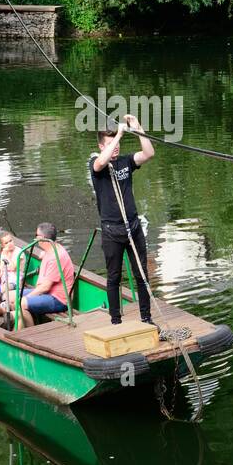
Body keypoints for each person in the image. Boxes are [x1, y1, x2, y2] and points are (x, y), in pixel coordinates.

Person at [89, 113, 154, 326]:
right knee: (114, 277)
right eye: (109, 144)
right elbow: (100, 163)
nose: (115, 147)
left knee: (142, 275)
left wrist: (137, 128)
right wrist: (118, 135)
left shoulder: (126, 161)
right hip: (112, 231)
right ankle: (115, 320)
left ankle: (147, 318)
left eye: (116, 143)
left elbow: (149, 153)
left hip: (133, 227)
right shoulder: (95, 164)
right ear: (101, 145)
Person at [20, 223, 75, 327]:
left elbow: (46, 287)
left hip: (58, 299)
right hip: (48, 293)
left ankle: (30, 331)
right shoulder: (51, 249)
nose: (34, 238)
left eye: (36, 235)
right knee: (11, 296)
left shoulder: (56, 257)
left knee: (20, 303)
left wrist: (29, 296)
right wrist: (44, 254)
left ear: (42, 238)